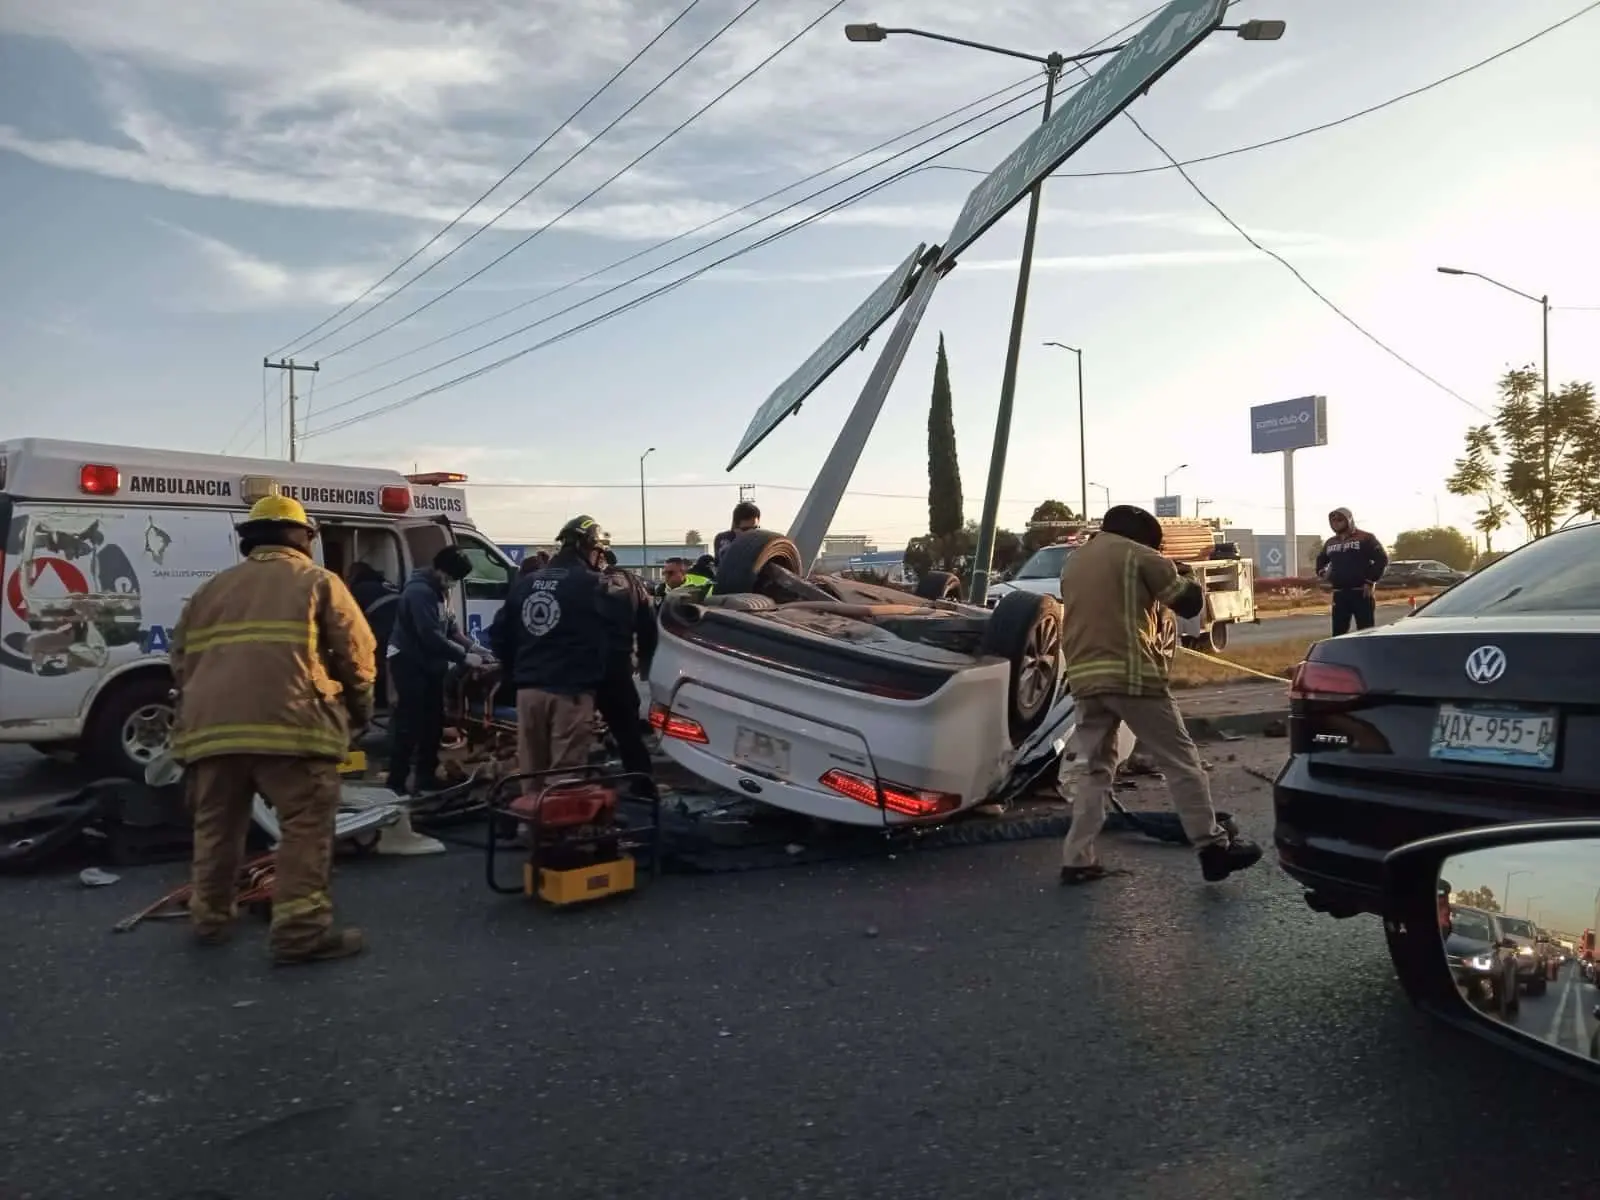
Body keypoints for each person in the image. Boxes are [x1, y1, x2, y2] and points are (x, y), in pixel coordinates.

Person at [169, 494, 375, 964]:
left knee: (217, 829)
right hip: (294, 729)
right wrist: (359, 712)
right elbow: (358, 657)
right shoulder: (319, 582)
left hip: (211, 734)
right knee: (305, 828)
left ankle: (210, 919)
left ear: (250, 540)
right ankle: (299, 934)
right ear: (303, 537)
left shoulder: (209, 591)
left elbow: (180, 661)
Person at [1056, 504, 1262, 886]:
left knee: (1095, 770)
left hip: (1085, 678)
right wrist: (1184, 573)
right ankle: (1213, 848)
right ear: (1145, 538)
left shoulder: (1075, 561)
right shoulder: (1139, 555)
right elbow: (1189, 603)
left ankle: (1077, 858)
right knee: (1180, 761)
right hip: (1132, 675)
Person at [490, 515, 622, 791]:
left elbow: (499, 636)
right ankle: (556, 819)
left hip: (528, 694)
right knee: (564, 779)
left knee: (530, 773)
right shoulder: (593, 584)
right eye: (598, 551)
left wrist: (518, 672)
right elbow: (613, 639)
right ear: (588, 547)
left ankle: (530, 817)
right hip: (570, 693)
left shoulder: (526, 583)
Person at [385, 545, 477, 795]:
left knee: (433, 723)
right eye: (452, 577)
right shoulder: (419, 592)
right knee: (410, 723)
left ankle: (425, 778)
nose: (453, 583)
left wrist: (474, 647)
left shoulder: (441, 591)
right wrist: (463, 657)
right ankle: (396, 782)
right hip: (409, 661)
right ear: (440, 569)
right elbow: (429, 635)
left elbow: (451, 629)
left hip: (430, 663)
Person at [598, 552, 660, 797]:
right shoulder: (631, 583)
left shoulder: (580, 580)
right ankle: (642, 786)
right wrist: (645, 660)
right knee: (628, 730)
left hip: (580, 667)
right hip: (616, 666)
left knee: (571, 733)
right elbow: (648, 624)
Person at [1315, 508, 1389, 636]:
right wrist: (1323, 573)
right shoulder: (1330, 542)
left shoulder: (1366, 538)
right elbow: (1320, 560)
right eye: (1333, 521)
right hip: (1339, 593)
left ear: (1348, 520)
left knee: (1365, 632)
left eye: (1340, 520)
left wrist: (1370, 581)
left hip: (1361, 592)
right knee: (1338, 633)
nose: (1336, 523)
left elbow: (1381, 559)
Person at [346, 562, 400, 705]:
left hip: (386, 630)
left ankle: (379, 700)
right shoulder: (387, 585)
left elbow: (349, 619)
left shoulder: (359, 589)